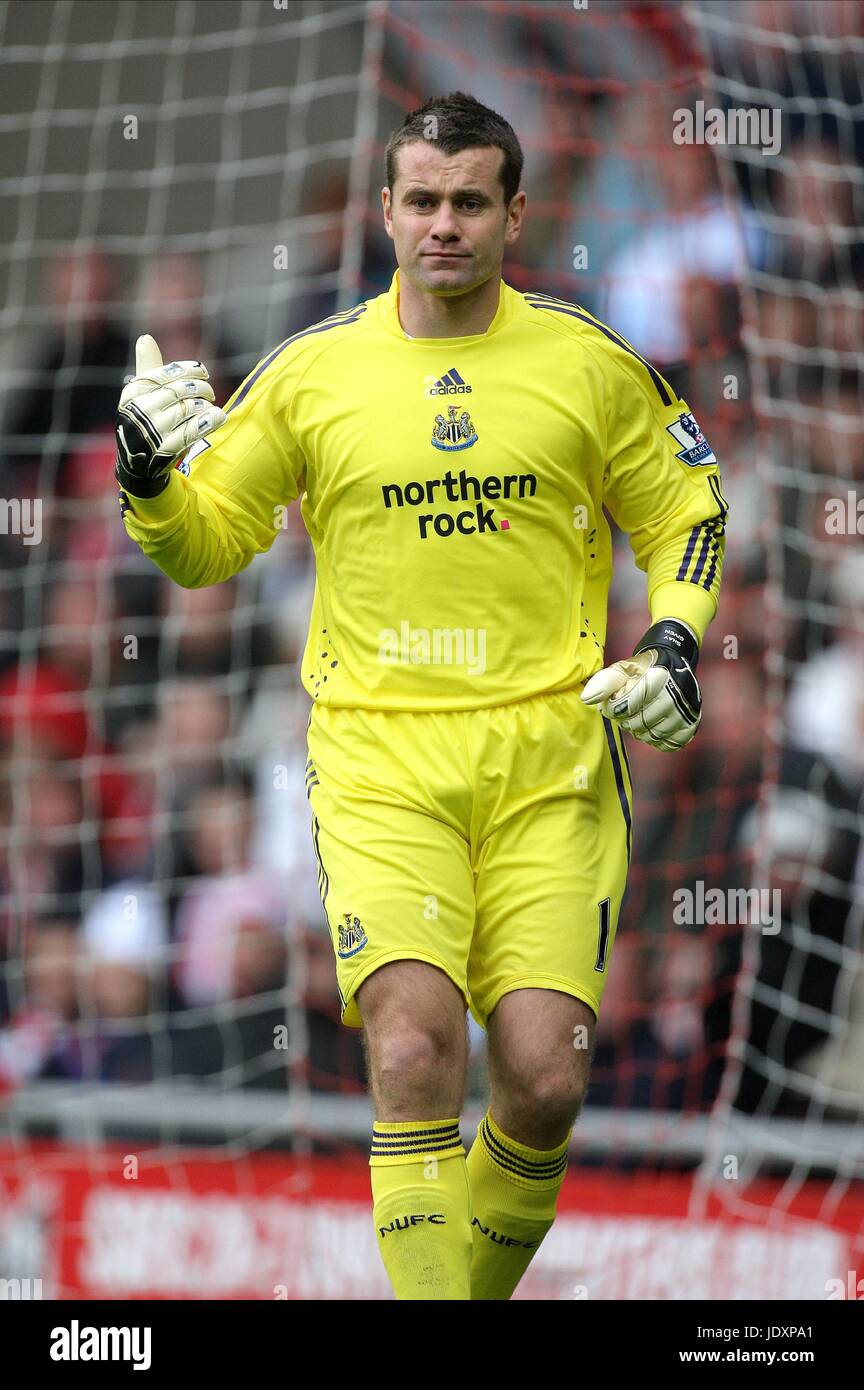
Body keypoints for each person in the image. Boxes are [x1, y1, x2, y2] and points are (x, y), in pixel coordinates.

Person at [112, 92, 727, 1300]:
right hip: (380, 765)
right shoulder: (313, 374)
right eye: (423, 202)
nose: (445, 224)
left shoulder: (590, 363)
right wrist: (145, 475)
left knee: (546, 1082)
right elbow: (203, 545)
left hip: (552, 765)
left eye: (470, 202)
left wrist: (674, 642)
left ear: (513, 214)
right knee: (410, 1048)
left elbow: (687, 511)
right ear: (387, 212)